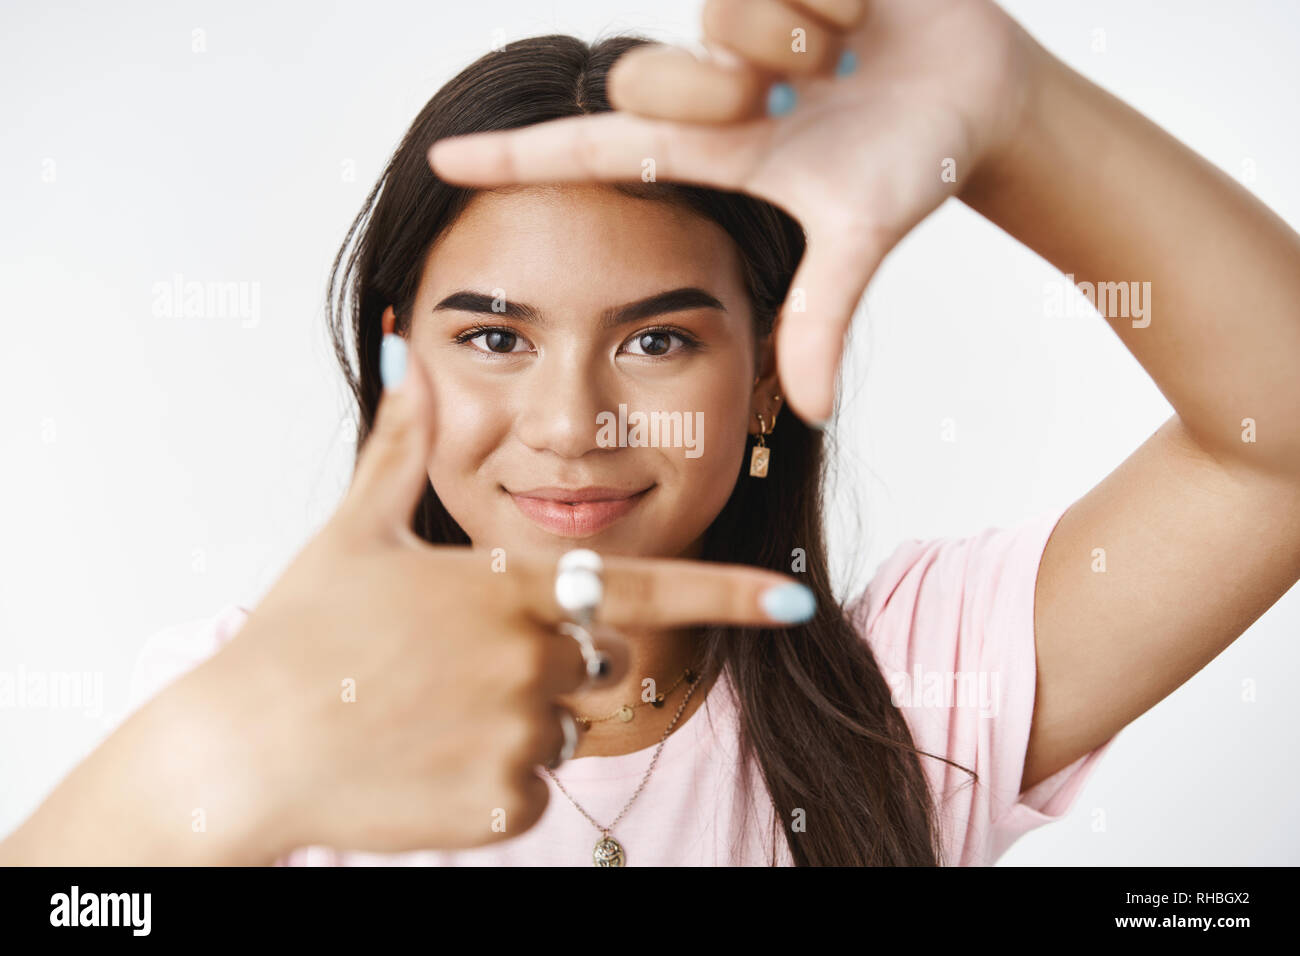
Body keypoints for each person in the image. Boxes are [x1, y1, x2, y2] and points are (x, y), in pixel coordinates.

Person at [4, 0, 1298, 867]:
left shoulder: (908, 698)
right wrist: (225, 750)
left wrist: (1015, 113)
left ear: (772, 373)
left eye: (657, 339)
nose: (570, 425)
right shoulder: (256, 704)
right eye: (496, 337)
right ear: (401, 355)